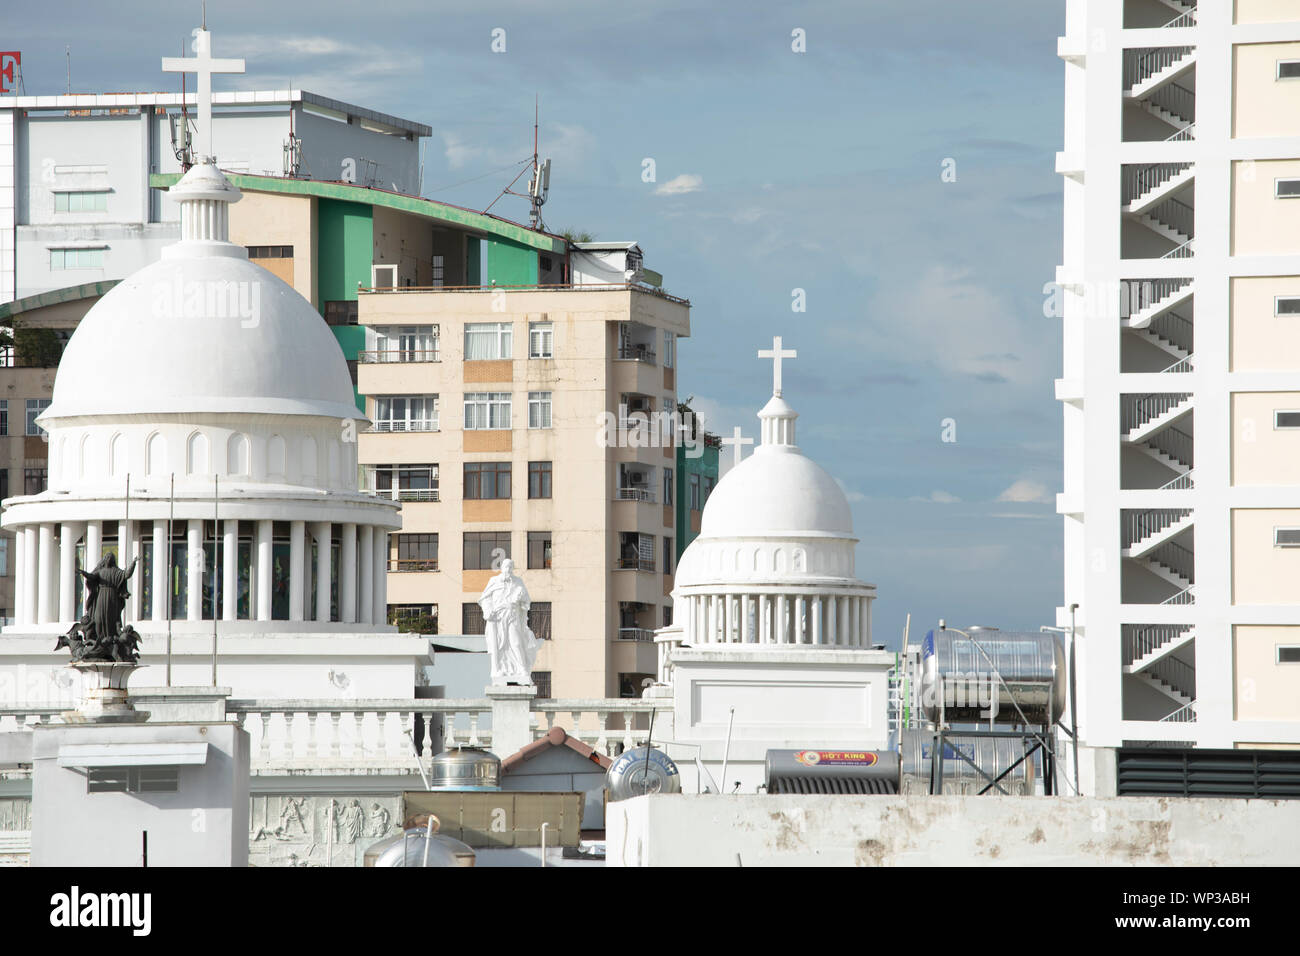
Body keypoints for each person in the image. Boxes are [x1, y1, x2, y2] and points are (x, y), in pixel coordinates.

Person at [477, 559, 540, 685]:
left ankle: (522, 669)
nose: (508, 570)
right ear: (502, 568)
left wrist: (521, 598)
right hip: (497, 618)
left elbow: (526, 601)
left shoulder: (518, 582)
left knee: (516, 642)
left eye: (511, 567)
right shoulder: (494, 581)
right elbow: (484, 599)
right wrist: (488, 610)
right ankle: (497, 669)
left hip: (512, 616)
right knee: (497, 645)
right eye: (506, 567)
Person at [78, 552, 138, 643]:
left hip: (112, 597)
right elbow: (92, 576)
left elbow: (127, 575)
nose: (109, 558)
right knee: (98, 618)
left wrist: (133, 563)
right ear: (105, 559)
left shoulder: (117, 571)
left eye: (111, 557)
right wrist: (84, 573)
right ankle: (99, 640)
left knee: (112, 619)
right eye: (107, 557)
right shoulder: (100, 571)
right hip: (101, 596)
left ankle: (110, 639)